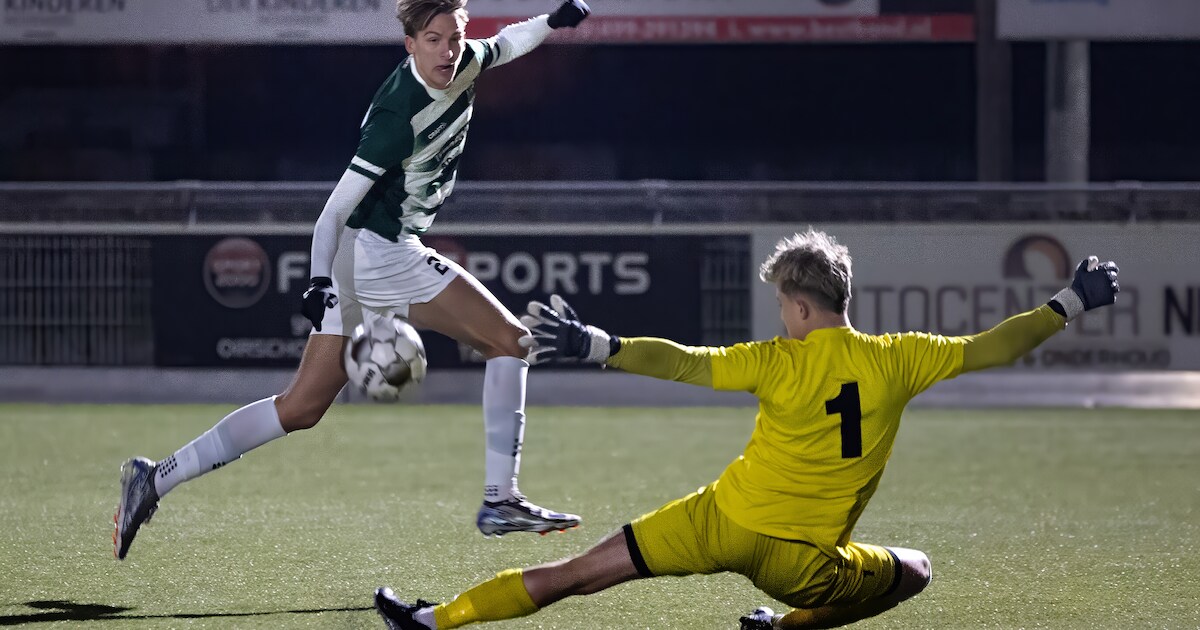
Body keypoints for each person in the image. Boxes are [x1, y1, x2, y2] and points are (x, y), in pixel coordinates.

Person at [373, 228, 1121, 629]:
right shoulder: (902, 359)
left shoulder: (774, 361)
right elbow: (995, 344)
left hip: (715, 521)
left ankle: (439, 619)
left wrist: (601, 346)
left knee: (576, 577)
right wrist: (1068, 303)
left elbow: (686, 363)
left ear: (798, 306)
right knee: (915, 569)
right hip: (800, 565)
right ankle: (785, 627)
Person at [114, 0, 593, 561]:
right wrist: (318, 282)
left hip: (365, 254)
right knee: (510, 341)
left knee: (300, 408)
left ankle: (155, 478)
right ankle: (500, 499)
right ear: (410, 44)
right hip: (378, 251)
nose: (449, 49)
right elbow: (332, 213)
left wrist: (553, 22)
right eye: (434, 39)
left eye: (456, 36)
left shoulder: (461, 62)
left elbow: (509, 42)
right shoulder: (398, 116)